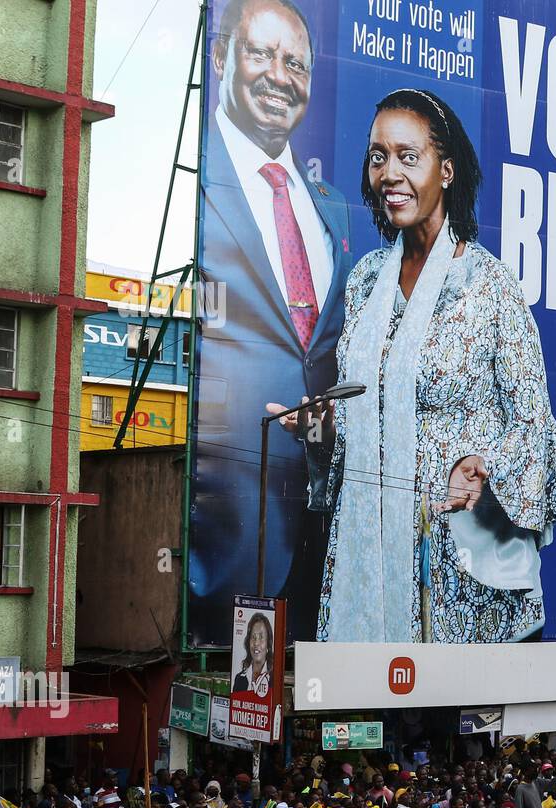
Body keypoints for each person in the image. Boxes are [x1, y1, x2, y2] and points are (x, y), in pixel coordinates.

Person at [291, 87, 556, 644]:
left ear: (445, 171)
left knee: (453, 728)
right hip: (365, 568)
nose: (389, 173)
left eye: (408, 156)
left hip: (458, 579)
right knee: (362, 724)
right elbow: (357, 423)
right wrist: (321, 432)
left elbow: (535, 427)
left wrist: (481, 463)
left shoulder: (490, 285)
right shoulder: (366, 280)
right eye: (378, 157)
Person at [192, 0, 353, 645]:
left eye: (296, 63)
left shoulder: (331, 209)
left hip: (319, 542)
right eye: (261, 54)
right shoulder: (197, 177)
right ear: (223, 55)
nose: (278, 75)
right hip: (221, 549)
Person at [231, 613, 273, 696]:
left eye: (261, 637)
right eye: (253, 637)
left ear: (268, 643)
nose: (256, 643)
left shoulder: (274, 679)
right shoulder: (239, 679)